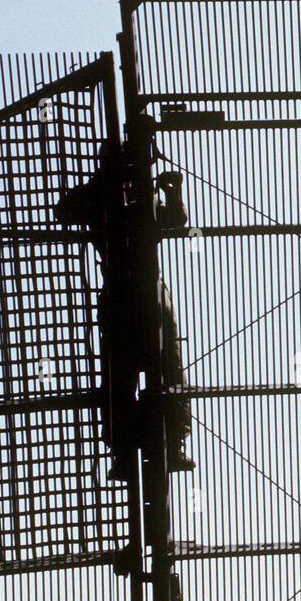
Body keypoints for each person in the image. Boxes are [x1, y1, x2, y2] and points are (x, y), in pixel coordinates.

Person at [55, 141, 195, 476]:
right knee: (124, 377)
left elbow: (175, 220)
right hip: (127, 296)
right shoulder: (104, 198)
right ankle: (124, 452)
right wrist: (106, 186)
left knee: (165, 369)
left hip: (146, 296)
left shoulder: (140, 199)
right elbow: (64, 210)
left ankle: (168, 443)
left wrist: (171, 193)